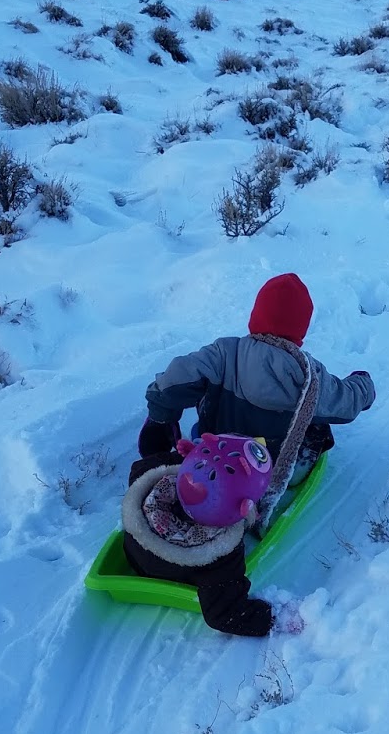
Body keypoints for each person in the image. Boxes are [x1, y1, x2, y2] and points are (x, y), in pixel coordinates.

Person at [123, 273, 375, 637]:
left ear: (255, 316)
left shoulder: (225, 352)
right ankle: (284, 476)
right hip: (265, 470)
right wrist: (363, 383)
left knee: (203, 431)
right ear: (300, 332)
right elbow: (348, 403)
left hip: (213, 449)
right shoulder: (308, 375)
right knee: (319, 427)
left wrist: (161, 415)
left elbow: (174, 379)